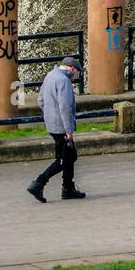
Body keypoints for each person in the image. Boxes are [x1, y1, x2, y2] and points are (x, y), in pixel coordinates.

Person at [27, 56, 85, 202]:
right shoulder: (64, 81)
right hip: (61, 126)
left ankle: (68, 188)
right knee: (63, 159)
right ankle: (39, 183)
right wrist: (69, 131)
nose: (77, 77)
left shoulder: (50, 75)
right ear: (72, 69)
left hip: (51, 123)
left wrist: (49, 114)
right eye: (78, 74)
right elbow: (65, 108)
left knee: (70, 156)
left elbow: (40, 99)